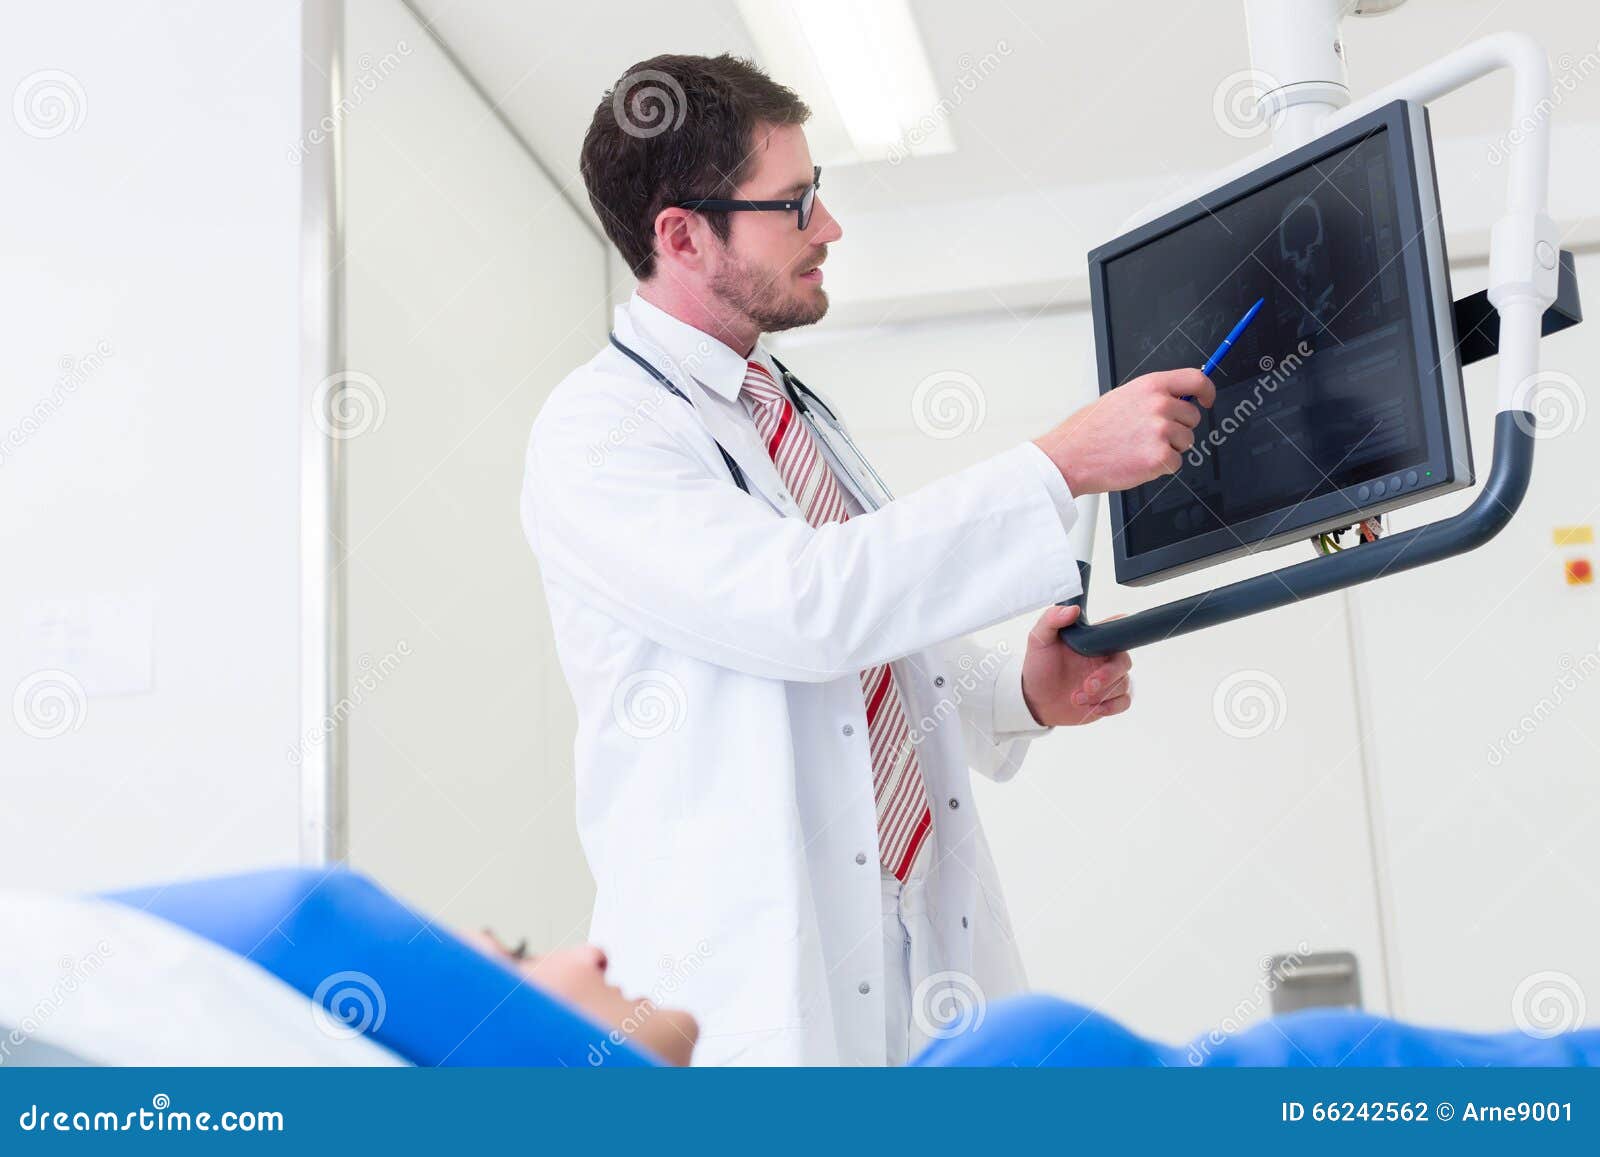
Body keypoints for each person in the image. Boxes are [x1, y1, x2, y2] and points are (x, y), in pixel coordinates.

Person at [520, 53, 1215, 1066]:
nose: (830, 228)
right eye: (794, 205)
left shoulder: (790, 408)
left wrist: (1017, 691)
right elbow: (801, 607)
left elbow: (876, 635)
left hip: (909, 937)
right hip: (747, 978)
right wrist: (1057, 465)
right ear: (681, 235)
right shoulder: (599, 432)